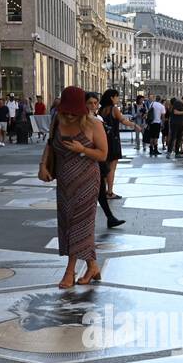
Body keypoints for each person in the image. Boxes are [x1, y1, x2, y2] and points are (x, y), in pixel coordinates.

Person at [40, 86, 106, 288]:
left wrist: (83, 149)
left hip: (87, 181)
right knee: (68, 224)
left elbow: (103, 155)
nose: (68, 116)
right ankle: (93, 266)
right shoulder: (57, 121)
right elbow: (50, 145)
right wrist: (43, 166)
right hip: (65, 182)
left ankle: (70, 271)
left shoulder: (94, 125)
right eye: (65, 111)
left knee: (80, 225)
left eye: (72, 113)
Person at [87, 92, 125, 229]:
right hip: (88, 159)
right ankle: (108, 217)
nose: (93, 105)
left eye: (95, 103)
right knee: (97, 190)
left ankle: (110, 217)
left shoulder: (98, 117)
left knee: (100, 190)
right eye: (90, 103)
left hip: (99, 156)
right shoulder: (84, 119)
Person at [100, 89, 136, 199]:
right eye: (117, 96)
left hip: (103, 139)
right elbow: (123, 120)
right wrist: (134, 125)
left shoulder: (101, 110)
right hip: (113, 140)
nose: (118, 99)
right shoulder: (114, 109)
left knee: (105, 167)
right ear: (112, 97)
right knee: (112, 168)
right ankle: (110, 192)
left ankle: (103, 190)